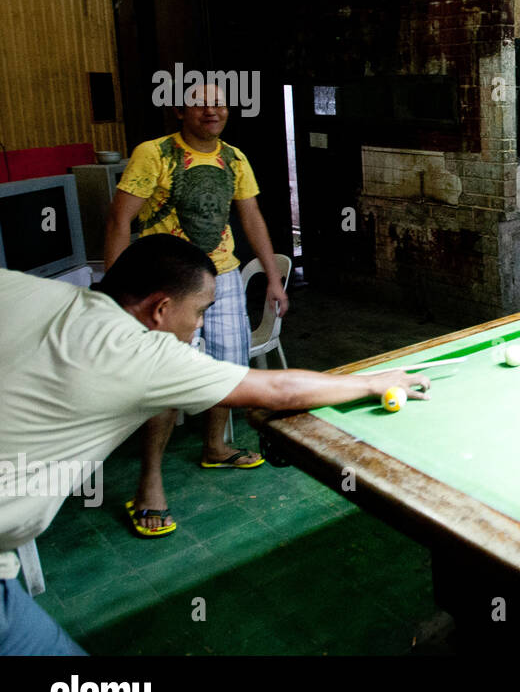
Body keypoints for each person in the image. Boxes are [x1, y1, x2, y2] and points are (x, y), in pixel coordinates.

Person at [0, 235, 429, 654]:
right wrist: (371, 383)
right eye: (200, 311)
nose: (201, 324)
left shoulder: (26, 289)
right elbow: (277, 389)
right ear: (161, 309)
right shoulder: (144, 354)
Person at [104, 82, 286, 536]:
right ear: (180, 111)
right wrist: (116, 291)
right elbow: (120, 219)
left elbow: (251, 217)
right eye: (200, 103)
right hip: (168, 281)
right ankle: (150, 484)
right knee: (165, 378)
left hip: (222, 277)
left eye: (219, 102)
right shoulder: (155, 153)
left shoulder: (235, 158)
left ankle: (216, 447)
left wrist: (273, 276)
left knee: (229, 366)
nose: (211, 110)